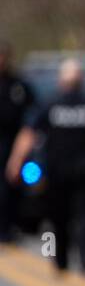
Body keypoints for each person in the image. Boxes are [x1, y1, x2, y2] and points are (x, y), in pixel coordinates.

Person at [5, 58, 85, 274]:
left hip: (59, 173)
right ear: (81, 82)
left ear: (61, 82)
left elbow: (28, 134)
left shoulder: (51, 105)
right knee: (84, 219)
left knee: (59, 219)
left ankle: (61, 261)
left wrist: (15, 161)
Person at [0, 41, 36, 242]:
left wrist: (19, 153)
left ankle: (8, 228)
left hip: (12, 144)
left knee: (11, 187)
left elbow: (31, 120)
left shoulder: (18, 86)